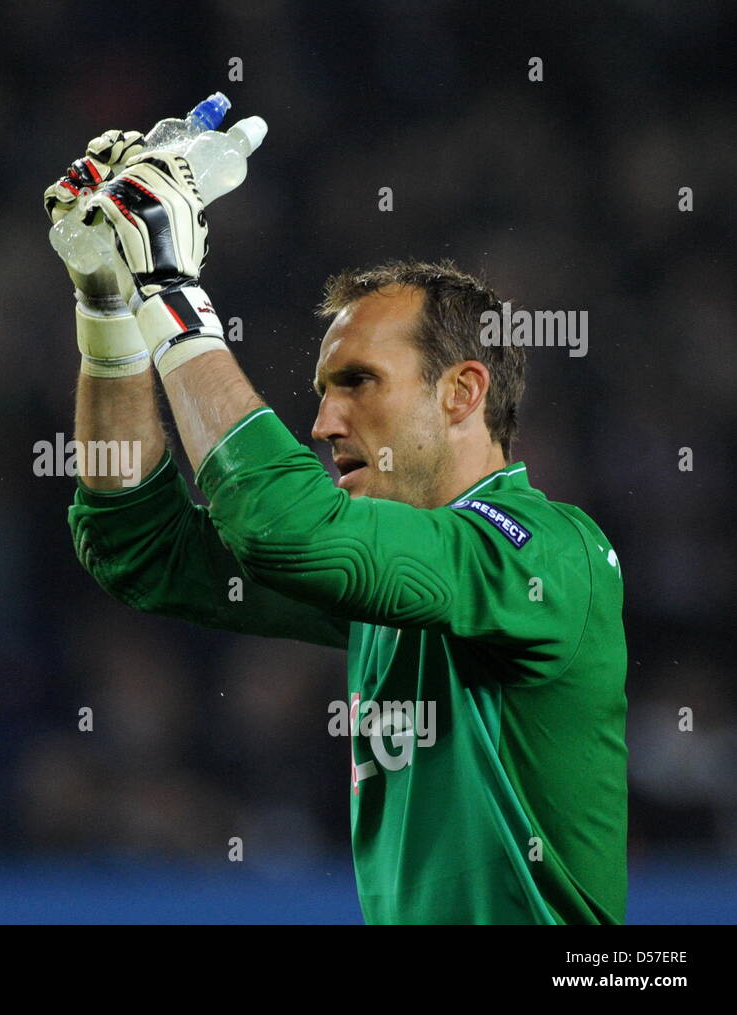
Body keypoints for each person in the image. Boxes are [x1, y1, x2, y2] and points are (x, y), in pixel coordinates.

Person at [44, 130, 628, 924]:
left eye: (358, 382)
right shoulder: (381, 582)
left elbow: (286, 525)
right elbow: (138, 548)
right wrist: (110, 307)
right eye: (323, 388)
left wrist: (173, 291)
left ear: (461, 393)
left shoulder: (548, 554)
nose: (322, 421)